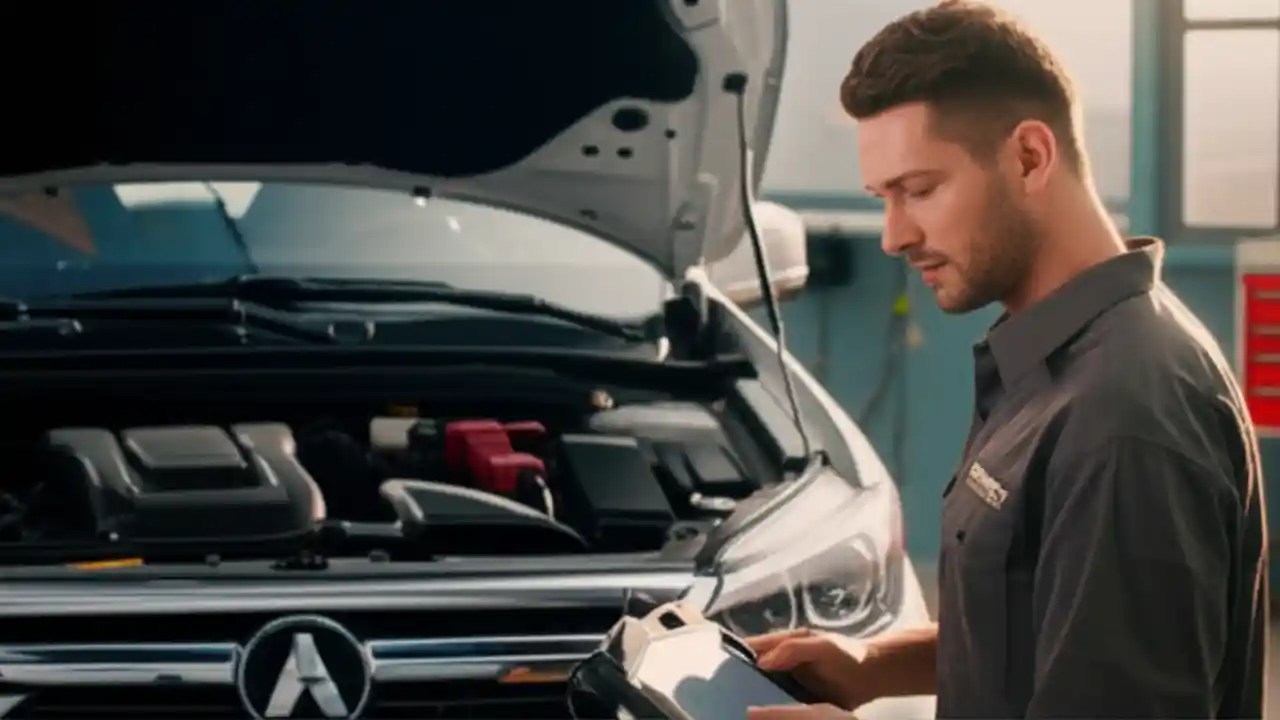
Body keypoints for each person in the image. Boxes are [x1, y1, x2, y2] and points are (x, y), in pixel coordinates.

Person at [746, 1, 1270, 718]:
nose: (892, 237)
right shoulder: (1057, 360)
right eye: (882, 198)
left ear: (1030, 156)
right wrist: (873, 664)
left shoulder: (1124, 418)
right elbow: (1040, 624)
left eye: (920, 190)